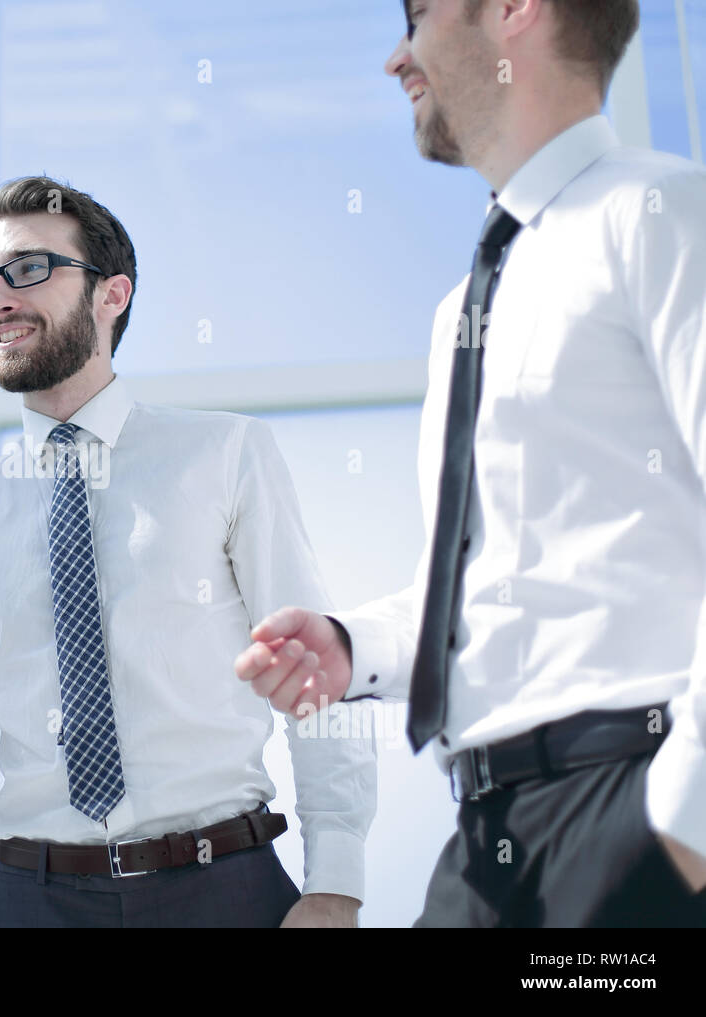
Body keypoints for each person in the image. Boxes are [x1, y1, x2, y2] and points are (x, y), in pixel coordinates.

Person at [236, 0, 706, 926]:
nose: (395, 59)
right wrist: (352, 646)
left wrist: (679, 826)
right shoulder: (465, 304)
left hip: (628, 811)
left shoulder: (662, 213)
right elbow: (504, 580)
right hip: (490, 843)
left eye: (415, 15)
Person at [0, 176, 375, 928]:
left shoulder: (226, 454)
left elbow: (316, 679)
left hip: (223, 888)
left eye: (29, 269)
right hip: (30, 898)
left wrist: (335, 878)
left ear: (112, 294)